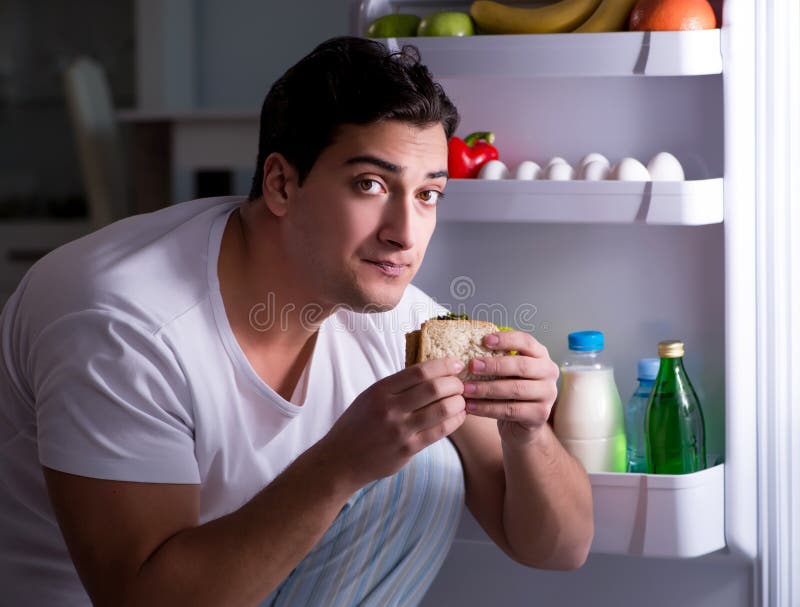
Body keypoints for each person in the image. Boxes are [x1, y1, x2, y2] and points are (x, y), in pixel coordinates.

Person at [0, 36, 593, 606]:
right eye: (370, 184)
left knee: (430, 464)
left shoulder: (397, 318)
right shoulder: (123, 324)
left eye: (427, 194)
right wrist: (341, 466)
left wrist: (529, 432)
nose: (405, 234)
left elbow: (559, 548)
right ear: (282, 184)